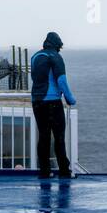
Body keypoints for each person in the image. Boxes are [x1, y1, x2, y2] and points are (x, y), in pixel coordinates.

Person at [30, 31, 76, 179]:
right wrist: (70, 99)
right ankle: (64, 171)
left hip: (37, 101)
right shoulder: (55, 57)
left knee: (43, 136)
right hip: (53, 102)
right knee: (59, 137)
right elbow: (61, 80)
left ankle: (44, 171)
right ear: (57, 45)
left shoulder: (35, 56)